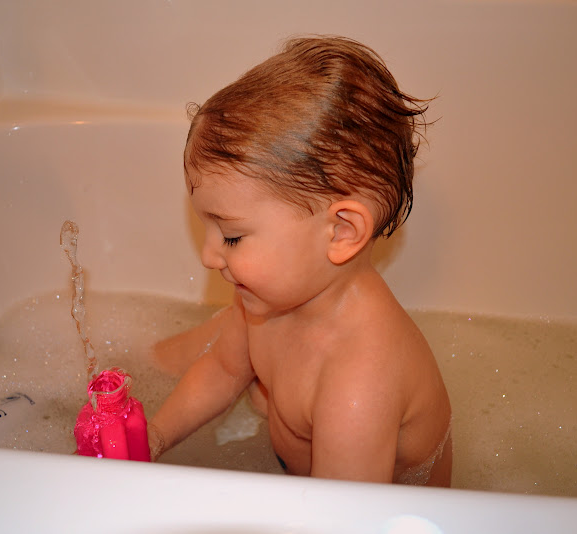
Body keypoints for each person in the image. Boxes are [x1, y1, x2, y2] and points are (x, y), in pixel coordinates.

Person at [148, 36, 452, 486]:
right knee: (220, 362)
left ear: (341, 232)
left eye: (231, 236)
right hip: (300, 481)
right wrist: (154, 437)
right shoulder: (267, 297)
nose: (210, 256)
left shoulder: (358, 384)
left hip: (373, 511)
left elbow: (342, 518)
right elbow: (223, 369)